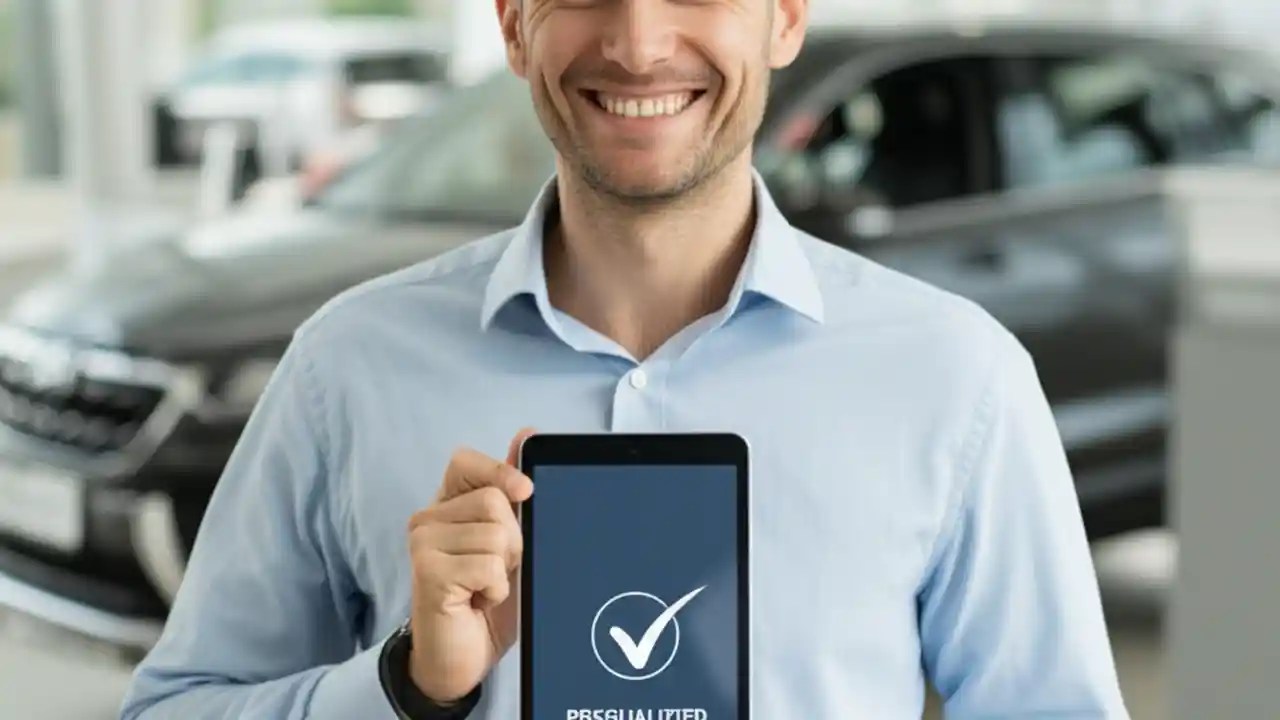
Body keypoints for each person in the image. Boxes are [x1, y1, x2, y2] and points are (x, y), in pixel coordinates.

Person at [121, 0, 1129, 718]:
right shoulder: (345, 369)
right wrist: (406, 689)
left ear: (783, 17)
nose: (639, 41)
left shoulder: (955, 379)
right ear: (513, 23)